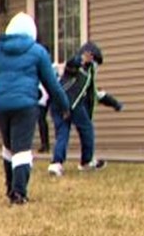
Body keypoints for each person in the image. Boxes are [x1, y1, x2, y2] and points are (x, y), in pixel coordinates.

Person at [0, 12, 71, 206]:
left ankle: (10, 187)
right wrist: (64, 105)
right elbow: (52, 84)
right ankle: (19, 192)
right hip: (26, 105)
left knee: (8, 146)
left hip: (1, 105)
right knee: (21, 149)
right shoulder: (38, 52)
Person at [49, 40, 123, 176]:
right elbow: (70, 65)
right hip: (69, 104)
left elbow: (97, 95)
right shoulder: (77, 68)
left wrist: (115, 104)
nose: (96, 67)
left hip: (60, 103)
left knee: (64, 133)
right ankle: (84, 162)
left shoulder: (89, 77)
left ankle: (57, 163)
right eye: (96, 63)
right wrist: (81, 60)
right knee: (84, 130)